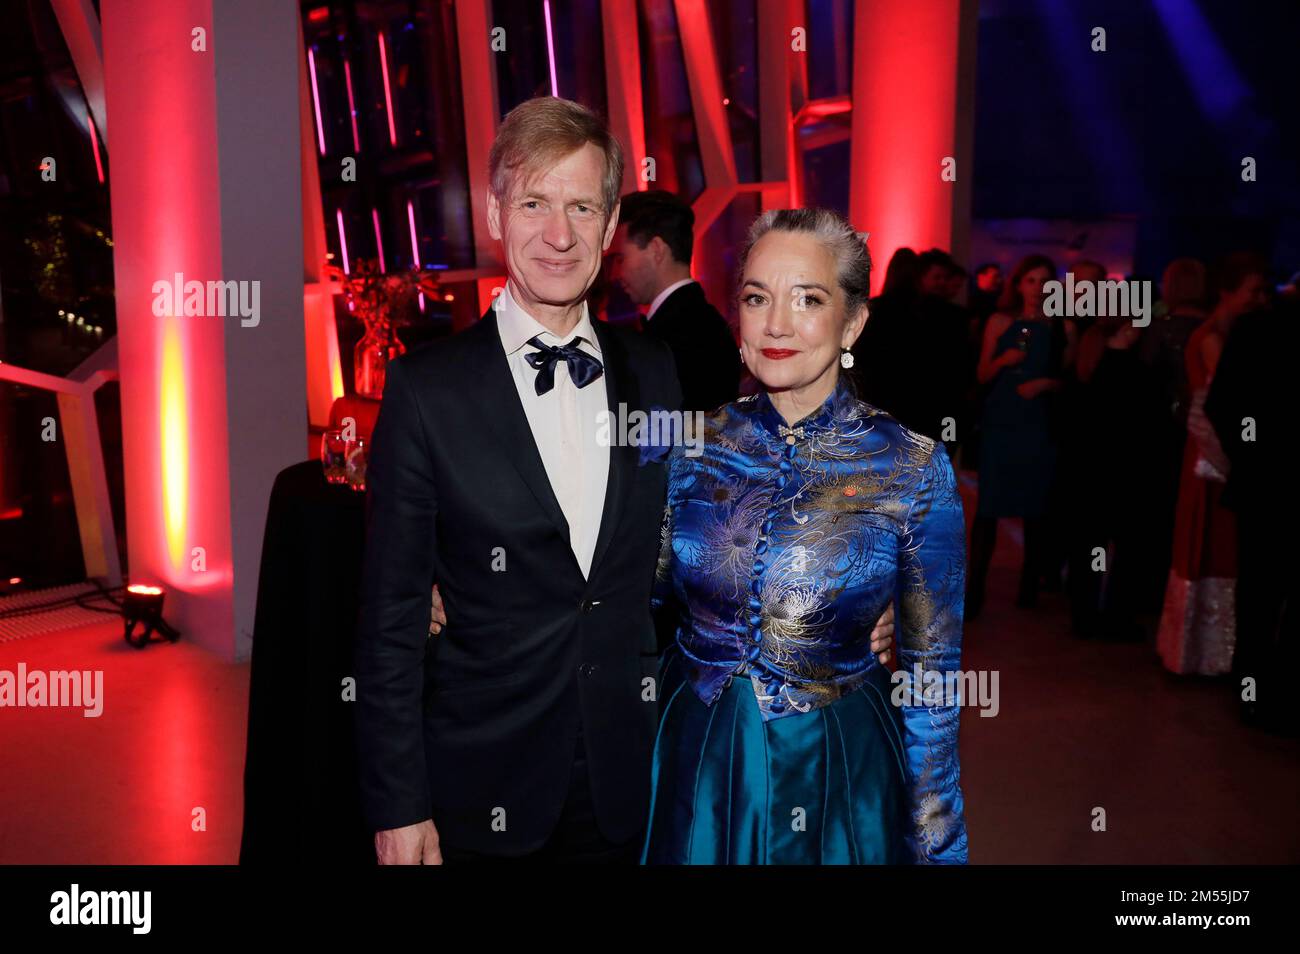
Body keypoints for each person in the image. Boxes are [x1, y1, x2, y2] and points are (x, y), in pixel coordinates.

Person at [355, 96, 896, 865]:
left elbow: (712, 538)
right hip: (482, 780)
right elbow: (387, 625)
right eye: (535, 202)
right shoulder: (423, 392)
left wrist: (861, 604)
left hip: (635, 770)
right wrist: (398, 806)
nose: (558, 233)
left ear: (610, 228)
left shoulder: (653, 371)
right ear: (494, 213)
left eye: (582, 206)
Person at [642, 208, 968, 865]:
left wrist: (938, 846)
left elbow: (933, 685)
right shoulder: (689, 448)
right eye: (757, 297)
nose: (777, 323)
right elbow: (626, 600)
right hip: (696, 757)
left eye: (808, 299)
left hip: (834, 763)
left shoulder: (909, 465)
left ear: (853, 322)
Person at [1156, 253, 1270, 675]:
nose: (1260, 299)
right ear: (1227, 292)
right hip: (1212, 454)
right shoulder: (1213, 336)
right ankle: (1211, 653)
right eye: (1253, 291)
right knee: (1216, 546)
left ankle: (1204, 650)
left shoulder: (1221, 332)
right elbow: (1225, 401)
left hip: (1208, 449)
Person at [1205, 298, 1297, 732]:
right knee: (1260, 593)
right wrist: (1253, 456)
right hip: (1266, 484)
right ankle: (1258, 693)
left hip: (1262, 482)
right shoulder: (1260, 326)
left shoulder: (1257, 325)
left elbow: (1223, 402)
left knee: (1258, 593)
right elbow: (1222, 402)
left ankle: (1258, 694)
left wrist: (1250, 456)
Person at [967, 254, 1076, 618]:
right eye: (1031, 280)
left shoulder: (1064, 327)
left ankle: (1029, 589)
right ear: (1019, 284)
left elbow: (1073, 380)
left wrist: (1045, 383)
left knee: (1036, 503)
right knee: (990, 504)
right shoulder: (1000, 321)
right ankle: (974, 593)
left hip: (1039, 417)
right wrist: (1003, 361)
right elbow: (980, 374)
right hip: (1003, 415)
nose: (1037, 288)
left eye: (1045, 281)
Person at [607, 190, 741, 412]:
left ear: (656, 250)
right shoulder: (705, 322)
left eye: (621, 258)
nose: (616, 273)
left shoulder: (677, 336)